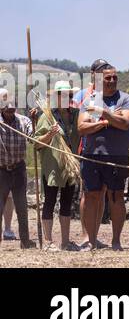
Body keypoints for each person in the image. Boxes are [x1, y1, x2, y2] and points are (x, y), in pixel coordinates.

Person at [76, 63, 129, 251]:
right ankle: (91, 241)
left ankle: (116, 241)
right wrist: (107, 119)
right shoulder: (90, 100)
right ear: (100, 79)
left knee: (116, 197)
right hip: (92, 155)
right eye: (107, 78)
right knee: (91, 196)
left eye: (114, 78)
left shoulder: (126, 99)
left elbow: (125, 122)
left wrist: (100, 115)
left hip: (117, 155)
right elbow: (81, 128)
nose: (111, 81)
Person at [35, 80, 80, 251]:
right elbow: (36, 143)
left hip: (70, 166)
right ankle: (48, 241)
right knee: (50, 201)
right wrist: (49, 135)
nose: (66, 98)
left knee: (67, 202)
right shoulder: (46, 117)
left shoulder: (75, 115)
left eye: (68, 95)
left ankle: (66, 241)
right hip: (52, 166)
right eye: (62, 95)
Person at [0, 89, 36, 249]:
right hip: (1, 170)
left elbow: (32, 138)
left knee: (22, 207)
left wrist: (34, 121)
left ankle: (25, 241)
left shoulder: (24, 121)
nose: (10, 107)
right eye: (6, 105)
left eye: (12, 105)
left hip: (18, 169)